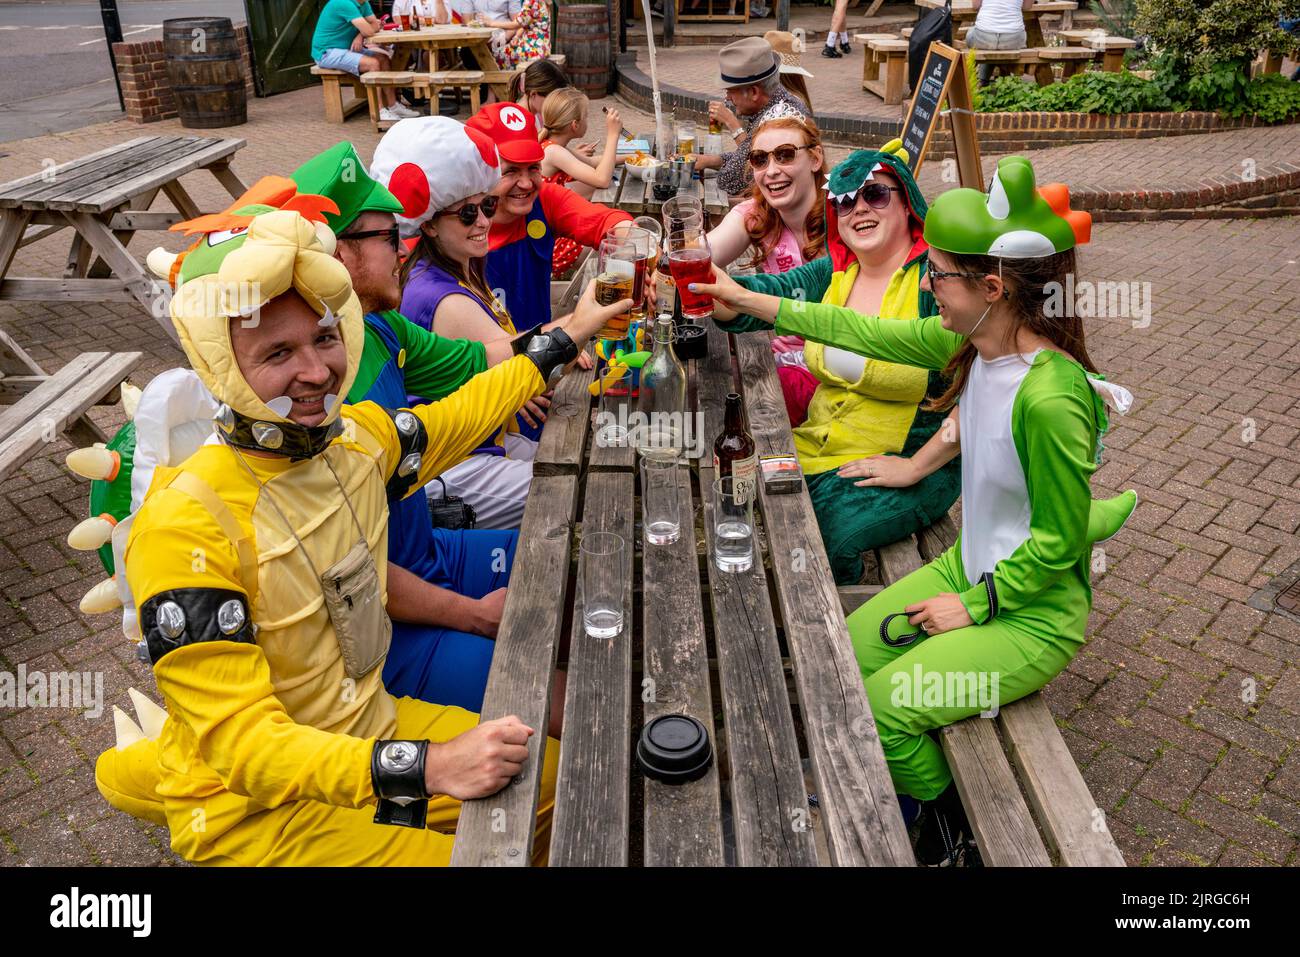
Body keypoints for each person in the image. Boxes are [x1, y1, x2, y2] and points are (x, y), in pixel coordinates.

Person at [92, 206, 631, 866]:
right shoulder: (184, 523)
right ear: (221, 363)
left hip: (367, 729)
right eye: (278, 352)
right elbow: (245, 747)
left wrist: (568, 331)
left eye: (324, 338)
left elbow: (462, 416)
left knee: (545, 781)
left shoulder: (352, 442)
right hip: (258, 808)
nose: (317, 371)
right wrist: (428, 767)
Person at [692, 155, 1137, 865]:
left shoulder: (1051, 398)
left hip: (1032, 612)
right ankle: (899, 789)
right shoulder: (971, 343)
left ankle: (948, 827)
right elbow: (853, 329)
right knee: (843, 659)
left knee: (882, 706)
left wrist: (977, 604)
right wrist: (744, 297)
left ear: (991, 288)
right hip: (970, 566)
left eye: (939, 275)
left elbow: (1057, 541)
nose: (928, 286)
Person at [292, 140, 569, 720]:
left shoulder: (382, 327)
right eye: (390, 236)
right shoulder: (313, 393)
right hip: (382, 627)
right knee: (545, 694)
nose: (405, 248)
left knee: (566, 560)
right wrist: (472, 615)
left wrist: (576, 325)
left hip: (425, 552)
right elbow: (345, 573)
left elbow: (482, 361)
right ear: (337, 253)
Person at [708, 142, 963, 586]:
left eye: (875, 195)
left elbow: (984, 385)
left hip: (909, 458)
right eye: (843, 202)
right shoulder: (835, 272)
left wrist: (917, 466)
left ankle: (839, 635)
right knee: (738, 487)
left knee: (825, 532)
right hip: (820, 443)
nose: (858, 209)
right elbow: (753, 298)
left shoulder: (934, 279)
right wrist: (708, 286)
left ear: (907, 204)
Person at [705, 106, 827, 424]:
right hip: (778, 356)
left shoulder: (848, 214)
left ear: (815, 158)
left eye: (785, 155)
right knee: (705, 388)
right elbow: (703, 254)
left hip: (835, 363)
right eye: (760, 159)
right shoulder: (757, 213)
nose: (771, 170)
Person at [467, 102, 633, 334]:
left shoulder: (543, 198)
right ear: (480, 173)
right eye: (511, 171)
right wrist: (558, 341)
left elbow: (610, 222)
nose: (526, 183)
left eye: (534, 168)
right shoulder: (455, 227)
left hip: (540, 354)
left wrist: (649, 255)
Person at [696, 37, 812, 198]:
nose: (727, 98)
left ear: (754, 92)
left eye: (730, 90)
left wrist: (731, 124)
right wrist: (710, 160)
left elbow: (730, 179)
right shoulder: (778, 104)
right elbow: (745, 158)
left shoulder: (775, 120)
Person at [311, 0, 416, 122]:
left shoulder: (363, 3)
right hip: (327, 52)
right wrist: (364, 32)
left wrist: (360, 36)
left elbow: (376, 25)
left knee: (383, 59)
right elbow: (370, 30)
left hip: (346, 48)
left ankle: (393, 106)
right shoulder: (343, 3)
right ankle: (379, 110)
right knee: (373, 63)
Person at [539, 88, 623, 198]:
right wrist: (613, 134)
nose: (587, 120)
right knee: (610, 189)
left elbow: (590, 161)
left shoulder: (554, 145)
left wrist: (632, 157)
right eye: (586, 116)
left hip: (551, 207)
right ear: (575, 125)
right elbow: (602, 180)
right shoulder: (554, 151)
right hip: (546, 214)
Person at [967, 0, 1033, 86]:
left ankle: (980, 80)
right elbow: (1026, 7)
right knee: (994, 46)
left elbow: (975, 6)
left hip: (984, 37)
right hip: (1013, 39)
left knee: (971, 34)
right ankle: (984, 80)